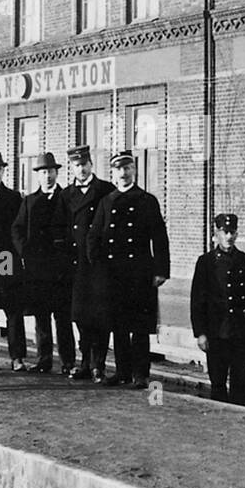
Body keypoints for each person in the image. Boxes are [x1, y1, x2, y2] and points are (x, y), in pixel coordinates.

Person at [87, 150, 170, 389]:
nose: (123, 173)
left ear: (134, 170)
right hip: (113, 274)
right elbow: (94, 236)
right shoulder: (107, 201)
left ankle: (140, 374)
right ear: (112, 174)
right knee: (119, 326)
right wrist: (98, 267)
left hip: (140, 273)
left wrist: (161, 270)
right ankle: (122, 371)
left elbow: (159, 238)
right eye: (119, 169)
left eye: (127, 168)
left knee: (140, 327)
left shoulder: (147, 200)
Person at [12, 153, 77, 376]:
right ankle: (44, 360)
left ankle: (68, 361)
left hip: (61, 270)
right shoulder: (29, 201)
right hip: (38, 270)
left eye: (50, 171)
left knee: (63, 318)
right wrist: (25, 252)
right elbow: (17, 229)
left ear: (56, 173)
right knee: (41, 317)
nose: (47, 176)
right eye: (42, 172)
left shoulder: (67, 198)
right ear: (37, 176)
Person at [190, 213, 245, 407]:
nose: (229, 237)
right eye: (224, 232)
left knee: (242, 382)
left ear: (237, 234)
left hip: (240, 332)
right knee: (218, 382)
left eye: (232, 232)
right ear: (216, 235)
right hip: (216, 332)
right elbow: (198, 300)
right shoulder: (206, 262)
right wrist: (200, 333)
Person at [62, 145, 114, 383]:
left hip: (99, 264)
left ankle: (98, 365)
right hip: (76, 265)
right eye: (76, 165)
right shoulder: (66, 195)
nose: (81, 169)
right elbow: (61, 229)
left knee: (100, 316)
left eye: (84, 164)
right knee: (81, 316)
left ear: (91, 165)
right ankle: (84, 362)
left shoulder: (105, 190)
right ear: (72, 168)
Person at [0, 151, 29, 371]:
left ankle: (17, 356)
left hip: (6, 257)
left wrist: (7, 259)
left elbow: (16, 230)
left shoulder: (13, 197)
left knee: (12, 307)